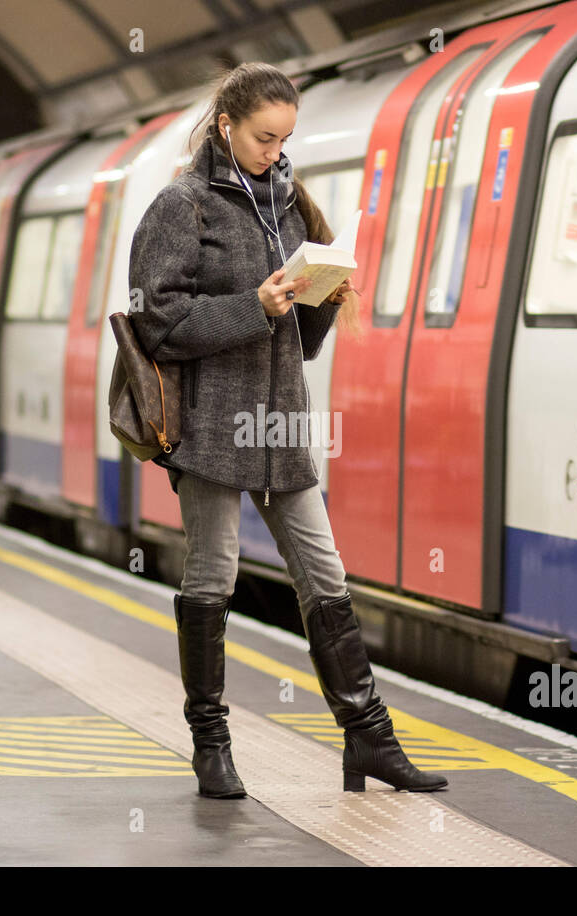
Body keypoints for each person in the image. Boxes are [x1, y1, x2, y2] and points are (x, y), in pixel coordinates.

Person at [128, 61, 447, 798]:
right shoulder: (183, 206)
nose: (276, 151)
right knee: (214, 578)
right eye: (264, 137)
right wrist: (254, 306)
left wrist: (327, 295)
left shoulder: (289, 206)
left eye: (285, 138)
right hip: (210, 428)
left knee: (326, 577)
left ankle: (369, 739)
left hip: (279, 424)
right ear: (226, 125)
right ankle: (211, 746)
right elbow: (157, 320)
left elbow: (298, 342)